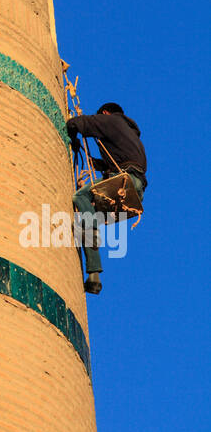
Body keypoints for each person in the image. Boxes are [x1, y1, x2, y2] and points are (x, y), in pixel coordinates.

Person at [66, 102, 147, 295]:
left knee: (81, 196)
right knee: (88, 217)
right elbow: (125, 158)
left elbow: (76, 123)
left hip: (123, 182)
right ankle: (93, 272)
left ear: (105, 112)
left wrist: (73, 137)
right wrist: (101, 165)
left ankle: (94, 268)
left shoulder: (110, 120)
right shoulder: (131, 134)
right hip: (137, 190)